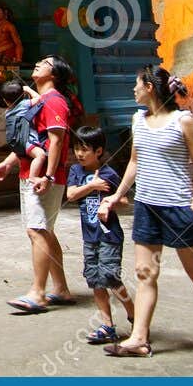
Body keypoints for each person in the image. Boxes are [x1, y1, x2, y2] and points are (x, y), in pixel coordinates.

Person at [98, 67, 193, 358]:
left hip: (178, 207)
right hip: (146, 206)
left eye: (136, 84)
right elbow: (134, 161)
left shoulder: (183, 121)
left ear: (150, 87)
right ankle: (139, 338)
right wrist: (118, 195)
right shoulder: (138, 120)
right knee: (144, 272)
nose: (133, 90)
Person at [0, 55, 77, 313]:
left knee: (37, 230)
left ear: (55, 75)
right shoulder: (36, 101)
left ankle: (38, 292)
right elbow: (28, 138)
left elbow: (57, 140)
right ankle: (60, 288)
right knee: (44, 231)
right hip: (31, 173)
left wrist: (49, 176)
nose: (37, 64)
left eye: (44, 63)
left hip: (42, 178)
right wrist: (9, 162)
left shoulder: (54, 102)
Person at [66, 125, 134, 344]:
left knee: (111, 278)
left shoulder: (109, 173)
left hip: (109, 235)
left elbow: (124, 201)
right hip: (90, 237)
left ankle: (133, 312)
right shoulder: (76, 172)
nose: (79, 154)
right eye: (77, 148)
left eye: (85, 149)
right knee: (95, 280)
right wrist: (92, 186)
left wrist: (110, 202)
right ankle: (108, 326)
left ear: (98, 151)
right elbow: (71, 194)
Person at [1, 79, 49, 187]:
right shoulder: (24, 104)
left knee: (24, 158)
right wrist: (28, 90)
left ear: (5, 100)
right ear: (23, 95)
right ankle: (32, 177)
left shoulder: (8, 111)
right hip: (26, 141)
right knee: (40, 155)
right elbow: (40, 99)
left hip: (15, 144)